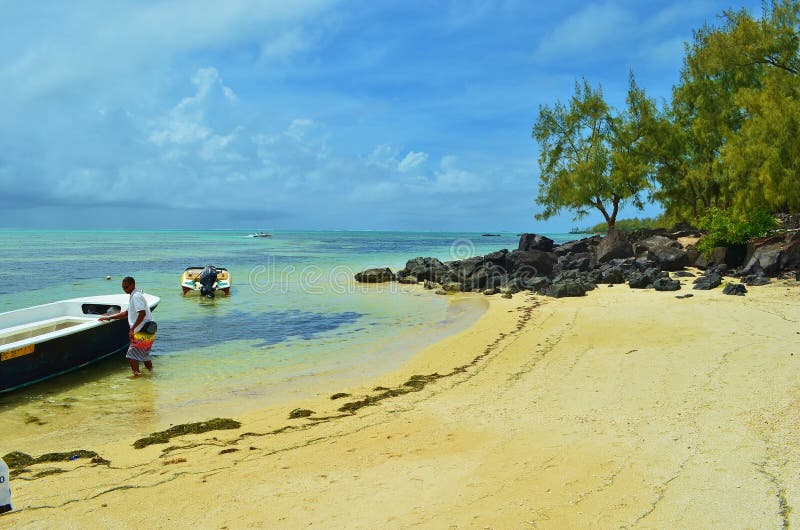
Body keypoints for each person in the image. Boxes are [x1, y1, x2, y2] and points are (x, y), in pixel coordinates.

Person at [99, 276, 155, 377]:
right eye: (123, 288)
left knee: (131, 355)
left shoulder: (136, 296)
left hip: (144, 329)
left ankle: (136, 375)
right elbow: (126, 313)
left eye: (126, 287)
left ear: (133, 285)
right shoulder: (134, 296)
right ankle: (152, 373)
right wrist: (109, 318)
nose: (125, 290)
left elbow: (142, 313)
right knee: (145, 355)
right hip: (150, 328)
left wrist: (132, 329)